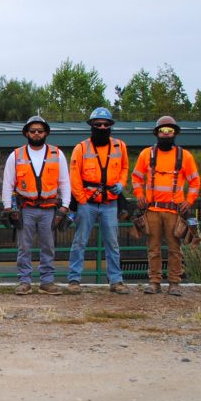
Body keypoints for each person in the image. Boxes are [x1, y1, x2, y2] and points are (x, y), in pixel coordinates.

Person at [132, 115, 201, 296]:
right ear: (157, 133)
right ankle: (154, 282)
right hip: (152, 210)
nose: (166, 134)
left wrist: (189, 201)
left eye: (169, 131)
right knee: (153, 249)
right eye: (163, 131)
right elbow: (136, 177)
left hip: (173, 210)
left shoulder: (184, 156)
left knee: (174, 249)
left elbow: (195, 182)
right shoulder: (146, 154)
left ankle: (174, 283)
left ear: (175, 133)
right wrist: (139, 195)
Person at [2, 115, 71, 295]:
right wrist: (8, 208)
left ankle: (47, 281)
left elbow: (64, 182)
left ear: (46, 132)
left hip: (49, 208)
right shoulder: (16, 155)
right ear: (26, 133)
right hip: (26, 208)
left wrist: (65, 206)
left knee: (48, 245)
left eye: (40, 131)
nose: (36, 134)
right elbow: (8, 182)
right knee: (24, 246)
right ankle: (24, 281)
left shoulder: (57, 154)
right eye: (32, 131)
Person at [66, 107, 131, 294]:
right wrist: (81, 200)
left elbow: (125, 167)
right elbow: (75, 176)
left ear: (110, 126)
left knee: (112, 243)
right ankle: (74, 279)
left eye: (105, 124)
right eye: (98, 125)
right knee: (79, 241)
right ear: (92, 126)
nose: (102, 127)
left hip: (110, 202)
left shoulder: (120, 146)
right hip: (87, 202)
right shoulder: (81, 148)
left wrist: (121, 183)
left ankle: (116, 280)